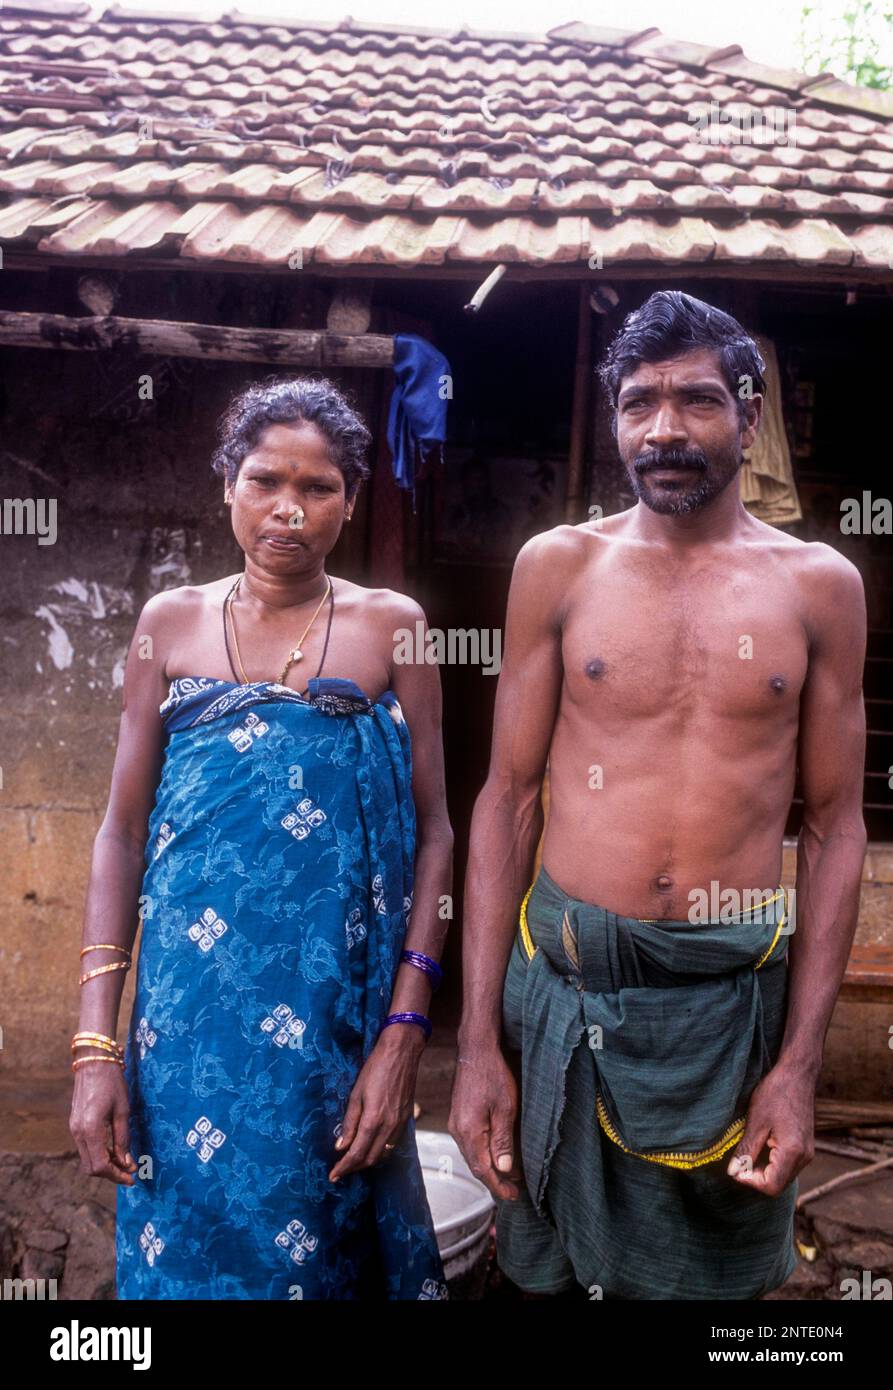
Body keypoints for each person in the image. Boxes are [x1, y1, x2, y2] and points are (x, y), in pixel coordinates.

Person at [449, 291, 867, 1300]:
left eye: (694, 400)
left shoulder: (817, 585)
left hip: (726, 1011)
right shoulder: (558, 566)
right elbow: (504, 799)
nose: (664, 430)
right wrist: (472, 1048)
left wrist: (797, 1067)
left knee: (717, 1286)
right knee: (542, 1274)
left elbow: (836, 826)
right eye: (637, 404)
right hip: (562, 990)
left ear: (749, 412)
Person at [69, 376, 454, 1300]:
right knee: (182, 1248)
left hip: (332, 1019)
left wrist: (404, 1033)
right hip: (183, 1023)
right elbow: (121, 835)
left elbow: (437, 834)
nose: (288, 509)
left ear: (350, 501)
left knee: (320, 1242)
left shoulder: (394, 631)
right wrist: (94, 1050)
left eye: (318, 488)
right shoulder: (167, 623)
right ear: (226, 487)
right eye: (264, 480)